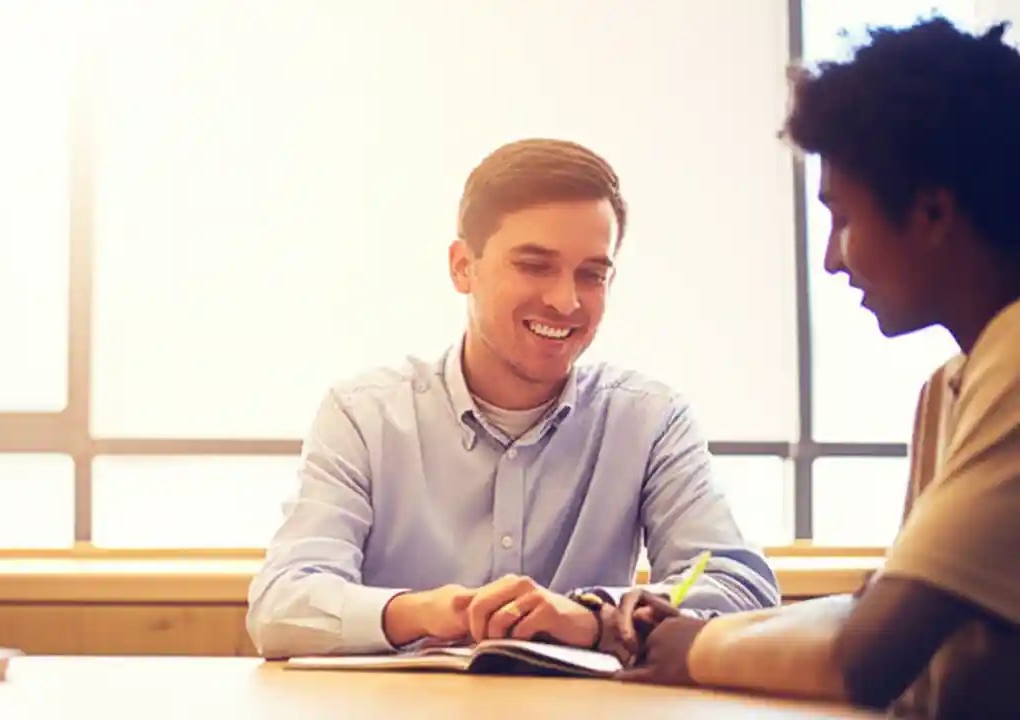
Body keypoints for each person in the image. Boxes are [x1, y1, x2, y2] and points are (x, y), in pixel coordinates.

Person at [617, 19, 1020, 718]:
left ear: (931, 210)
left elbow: (865, 658)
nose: (833, 258)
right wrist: (692, 633)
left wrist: (692, 653)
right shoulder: (954, 384)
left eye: (841, 219)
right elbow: (882, 608)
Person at [246, 138, 778, 660]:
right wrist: (435, 611)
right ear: (462, 267)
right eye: (534, 265)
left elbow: (740, 590)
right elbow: (283, 605)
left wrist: (594, 619)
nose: (566, 301)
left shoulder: (649, 420)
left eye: (591, 274)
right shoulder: (364, 415)